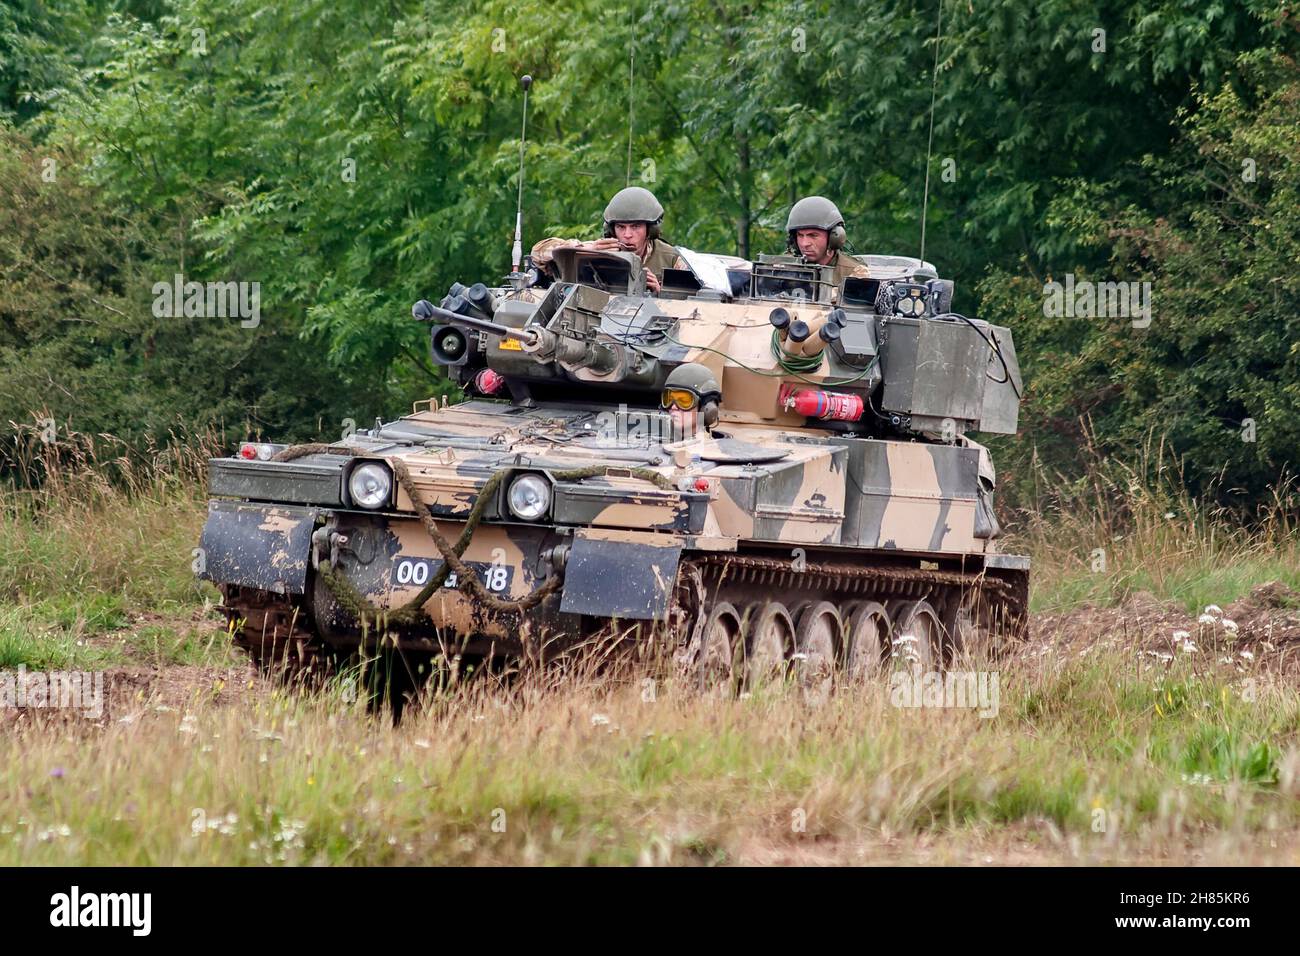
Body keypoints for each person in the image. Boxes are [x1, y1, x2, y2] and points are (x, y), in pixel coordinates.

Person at [530, 187, 685, 294]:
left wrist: (660, 293)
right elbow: (537, 253)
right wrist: (586, 251)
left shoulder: (672, 258)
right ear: (612, 230)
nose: (627, 234)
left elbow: (695, 306)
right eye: (621, 227)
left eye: (636, 226)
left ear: (650, 229)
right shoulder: (598, 251)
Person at [785, 196, 869, 289]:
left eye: (813, 235)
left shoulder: (854, 272)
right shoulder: (784, 267)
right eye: (800, 235)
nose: (805, 243)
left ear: (834, 237)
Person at [660, 362, 721, 441]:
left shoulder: (714, 451)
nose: (673, 407)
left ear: (707, 408)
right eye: (668, 400)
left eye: (683, 401)